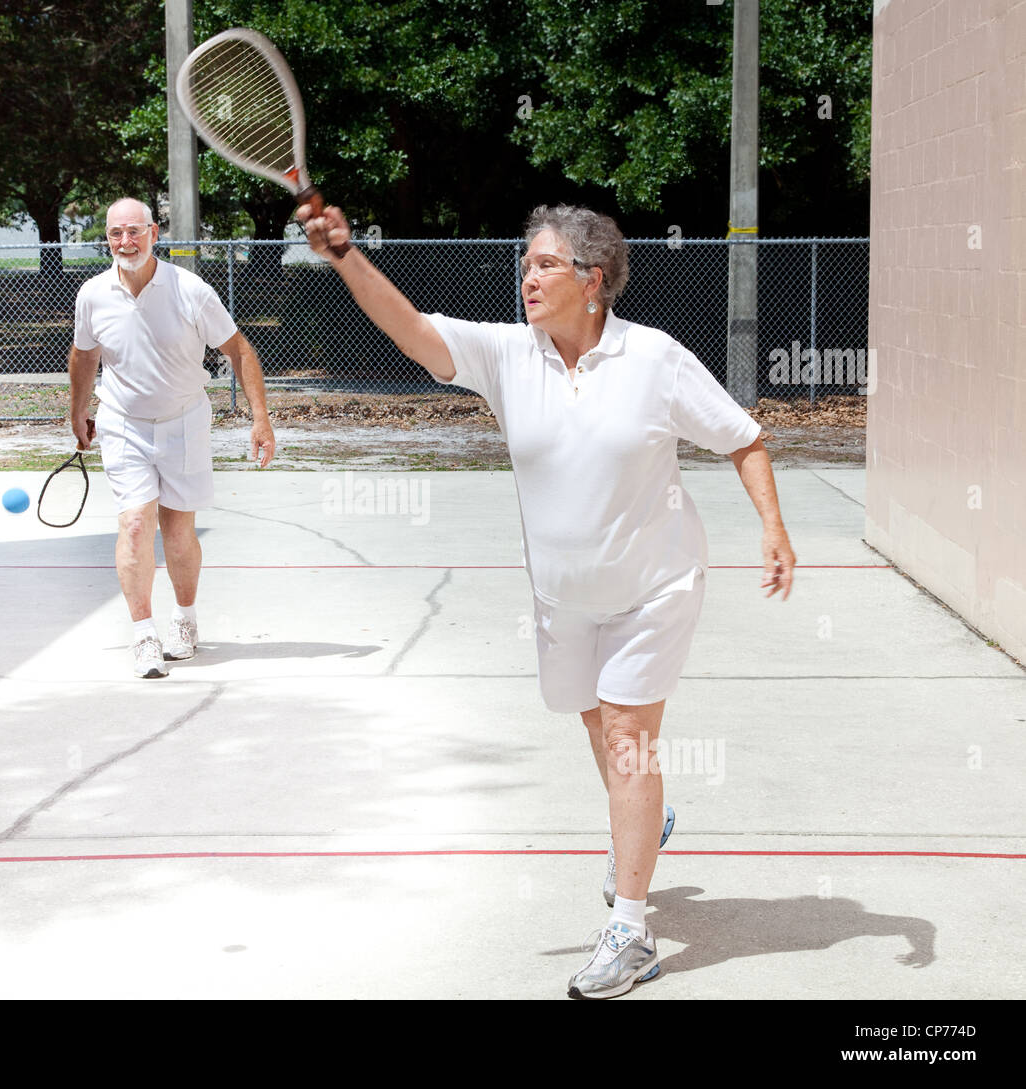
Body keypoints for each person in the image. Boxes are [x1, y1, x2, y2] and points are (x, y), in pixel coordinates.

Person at [297, 202, 796, 999]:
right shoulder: (506, 355)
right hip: (564, 600)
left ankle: (630, 929)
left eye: (545, 264)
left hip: (655, 588)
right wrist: (346, 256)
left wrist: (773, 527)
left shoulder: (654, 357)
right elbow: (412, 330)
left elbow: (744, 436)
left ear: (593, 282)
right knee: (599, 725)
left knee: (629, 733)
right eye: (524, 263)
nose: (526, 276)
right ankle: (643, 821)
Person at [69, 198, 276, 678]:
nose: (126, 242)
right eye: (116, 233)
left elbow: (239, 349)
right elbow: (83, 355)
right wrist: (78, 411)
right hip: (122, 424)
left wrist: (261, 418)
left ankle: (185, 619)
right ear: (107, 239)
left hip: (185, 421)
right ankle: (143, 633)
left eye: (134, 232)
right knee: (136, 524)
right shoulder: (93, 293)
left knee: (179, 529)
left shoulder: (191, 290)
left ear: (154, 233)